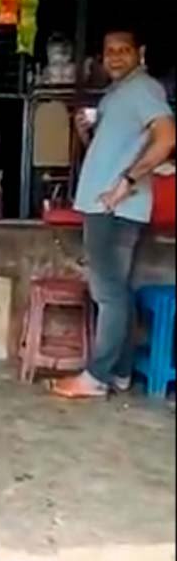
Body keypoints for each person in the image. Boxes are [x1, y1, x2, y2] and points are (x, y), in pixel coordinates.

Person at [50, 29, 176, 399]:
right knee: (118, 290)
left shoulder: (144, 89)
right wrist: (87, 132)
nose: (116, 57)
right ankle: (120, 372)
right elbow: (115, 148)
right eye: (110, 52)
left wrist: (126, 181)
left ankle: (96, 376)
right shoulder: (116, 94)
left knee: (108, 294)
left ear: (141, 52)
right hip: (109, 203)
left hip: (114, 206)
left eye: (124, 50)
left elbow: (167, 137)